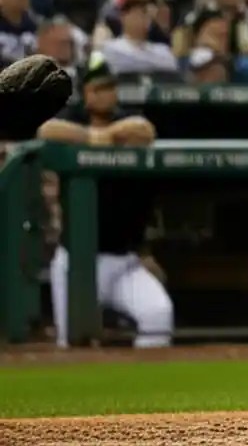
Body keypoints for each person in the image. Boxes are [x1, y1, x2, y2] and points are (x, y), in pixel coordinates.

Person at [38, 53, 171, 348]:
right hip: (78, 261)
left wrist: (102, 136)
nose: (106, 94)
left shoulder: (126, 118)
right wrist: (95, 137)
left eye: (110, 87)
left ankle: (146, 391)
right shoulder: (71, 117)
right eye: (98, 88)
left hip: (125, 260)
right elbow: (44, 129)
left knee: (158, 314)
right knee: (72, 341)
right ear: (84, 93)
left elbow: (144, 131)